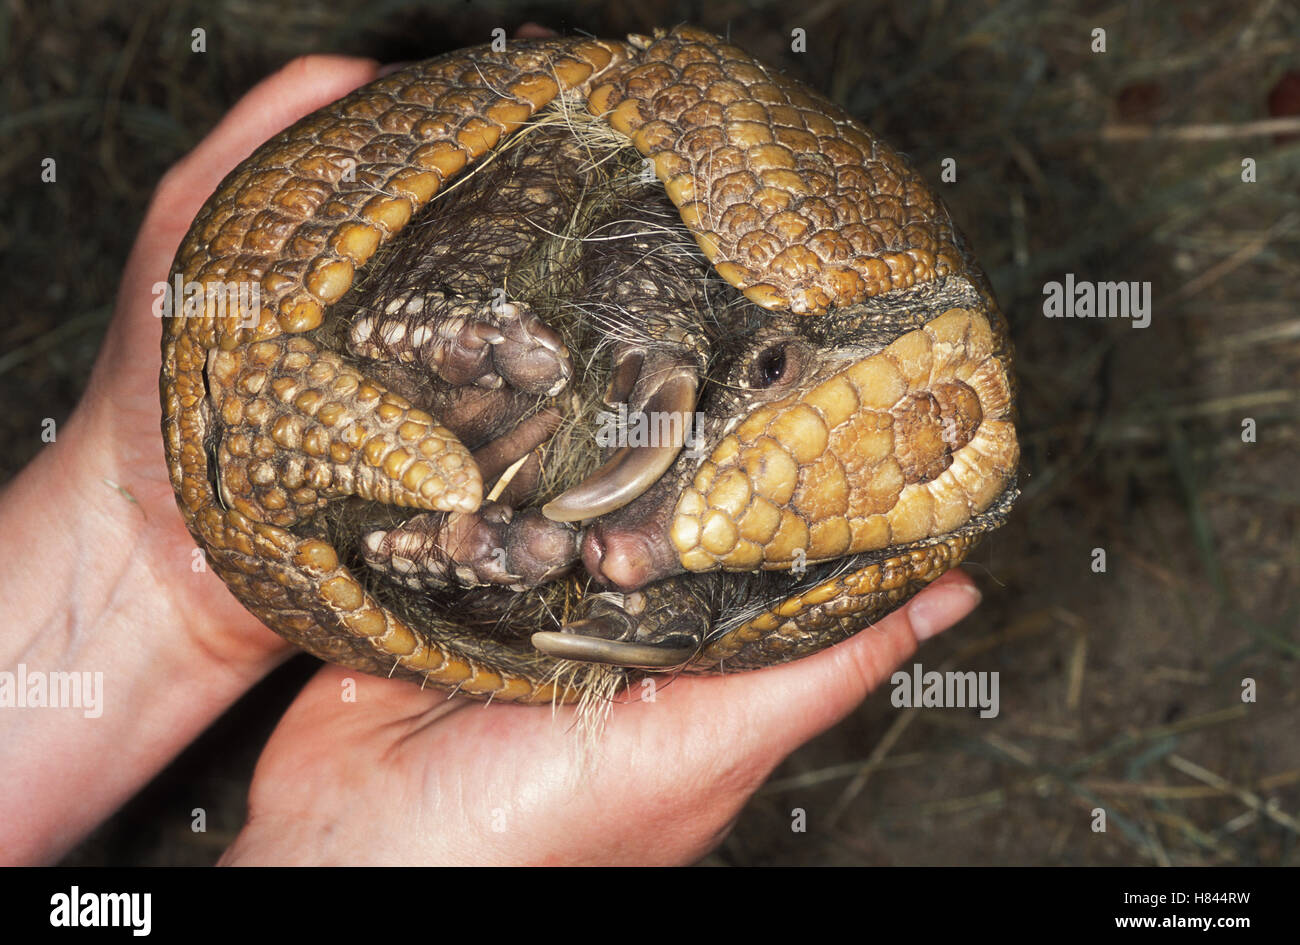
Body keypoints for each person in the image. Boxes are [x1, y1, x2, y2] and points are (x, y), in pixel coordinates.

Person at [0, 53, 984, 866]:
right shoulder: (774, 220)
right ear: (789, 343)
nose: (636, 548)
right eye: (769, 368)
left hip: (461, 529)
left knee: (560, 587)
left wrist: (135, 546)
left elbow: (640, 583)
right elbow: (630, 142)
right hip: (474, 255)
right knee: (585, 233)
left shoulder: (654, 544)